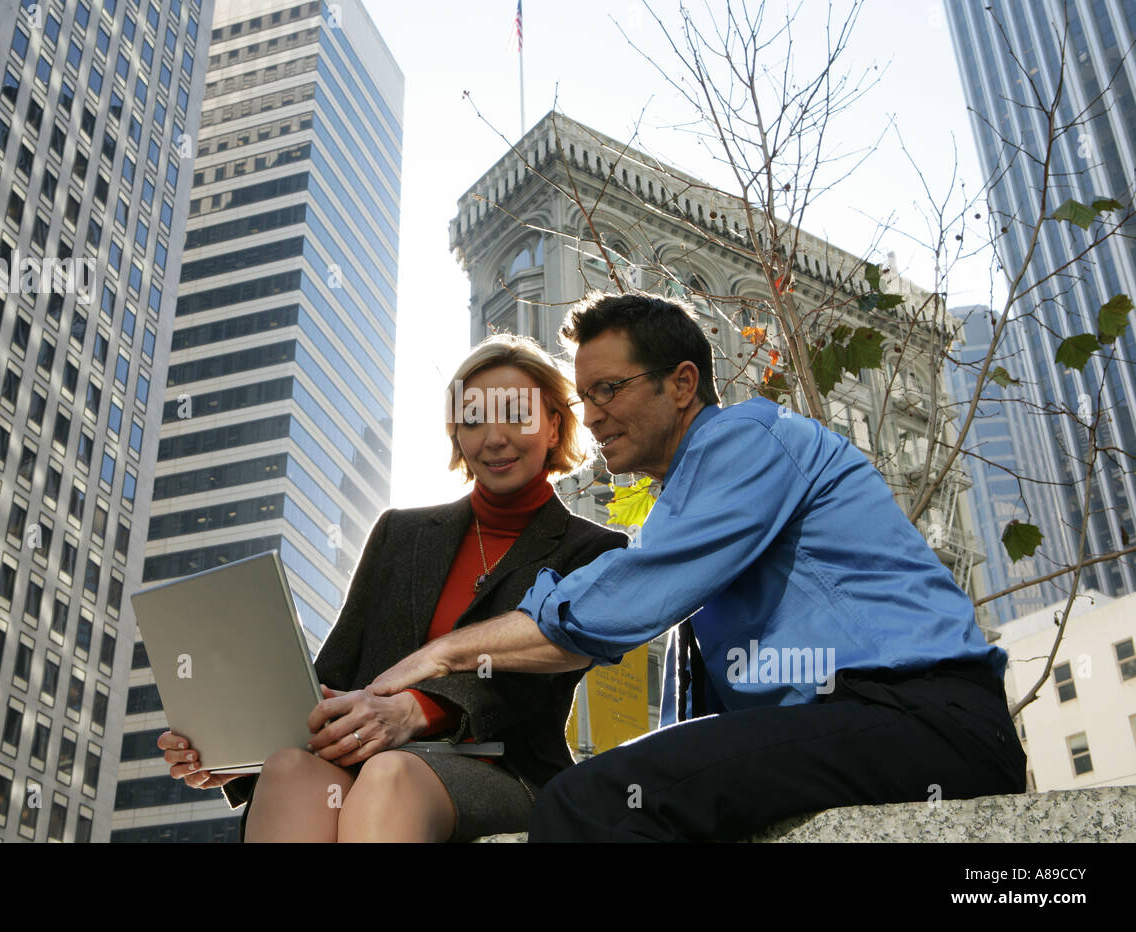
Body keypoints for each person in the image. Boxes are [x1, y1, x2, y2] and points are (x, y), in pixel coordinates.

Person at [369, 291, 1028, 842]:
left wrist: (448, 652)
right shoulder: (686, 501)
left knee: (590, 802)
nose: (591, 415)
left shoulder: (749, 442)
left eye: (607, 389)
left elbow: (615, 606)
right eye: (584, 397)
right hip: (853, 724)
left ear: (682, 383)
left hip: (925, 720)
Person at [157, 334, 626, 841]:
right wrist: (244, 749)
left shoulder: (592, 549)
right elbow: (336, 671)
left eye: (516, 415)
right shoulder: (399, 533)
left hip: (502, 768)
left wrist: (417, 711)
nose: (494, 437)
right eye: (472, 419)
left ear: (554, 424)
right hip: (366, 756)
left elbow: (533, 681)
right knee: (290, 771)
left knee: (389, 775)